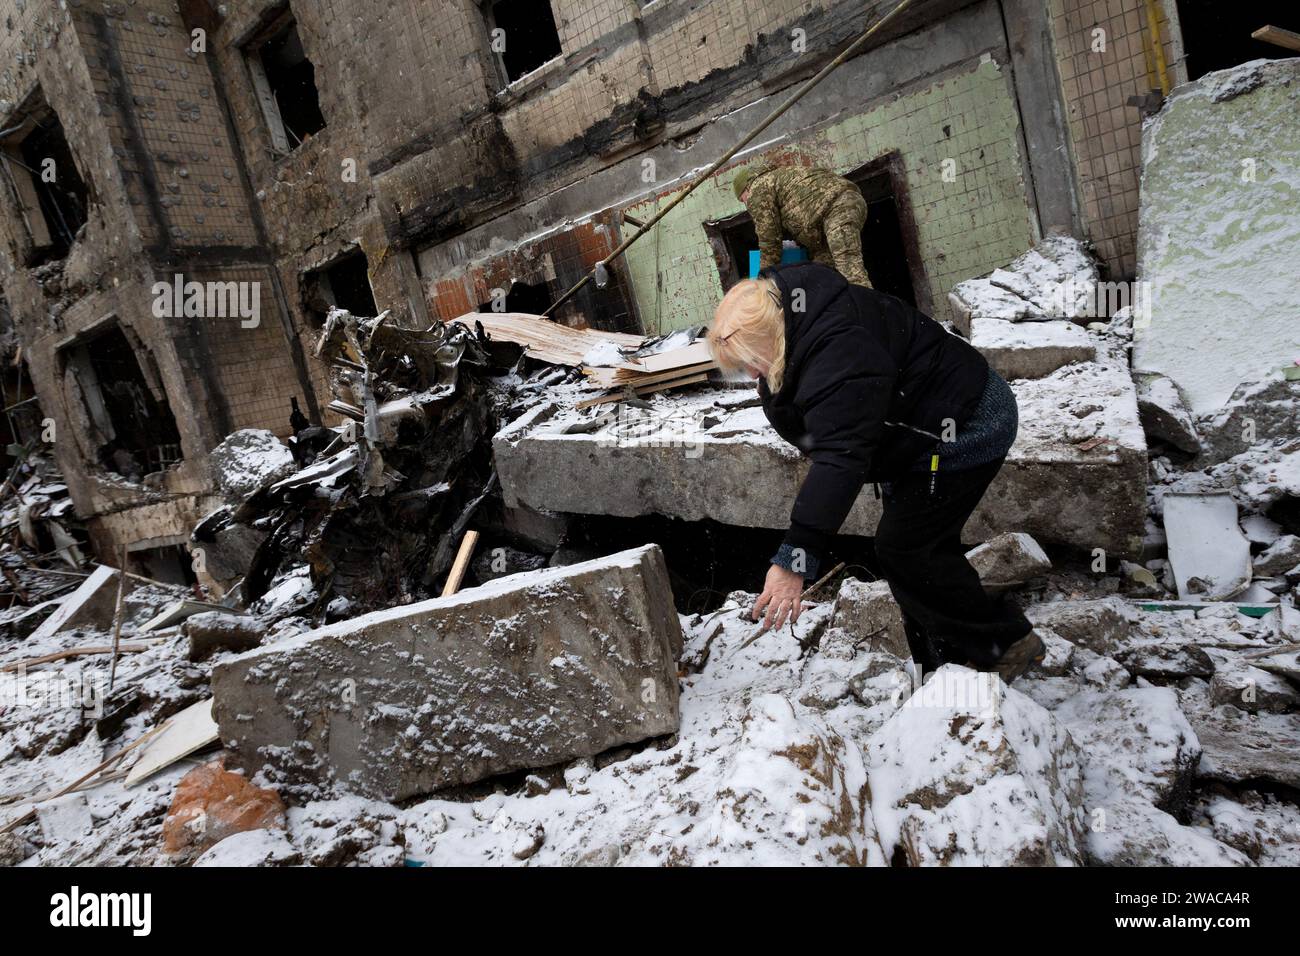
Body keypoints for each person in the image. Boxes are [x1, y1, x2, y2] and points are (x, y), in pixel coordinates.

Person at [705, 261, 1045, 683]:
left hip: (965, 425)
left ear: (768, 336)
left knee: (908, 549)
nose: (753, 374)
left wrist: (794, 560)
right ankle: (945, 668)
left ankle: (1004, 645)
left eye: (751, 361)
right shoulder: (802, 317)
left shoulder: (836, 351)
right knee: (917, 551)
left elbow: (840, 455)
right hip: (923, 422)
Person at [734, 164, 873, 289]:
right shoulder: (779, 176)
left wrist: (760, 280)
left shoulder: (758, 188)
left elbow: (769, 240)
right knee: (820, 274)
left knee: (849, 268)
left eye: (742, 199)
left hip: (836, 209)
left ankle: (870, 308)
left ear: (746, 188)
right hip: (839, 210)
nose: (746, 204)